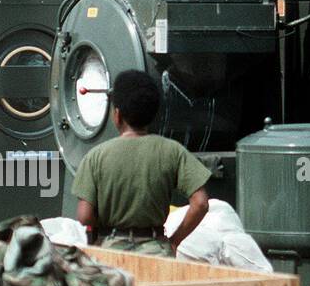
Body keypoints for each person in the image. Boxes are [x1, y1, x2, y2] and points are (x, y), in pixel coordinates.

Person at [73, 69, 210, 256]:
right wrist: (174, 240)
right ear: (153, 113)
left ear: (117, 115)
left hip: (111, 253)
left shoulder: (95, 156)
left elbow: (84, 217)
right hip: (157, 253)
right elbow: (200, 203)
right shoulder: (172, 150)